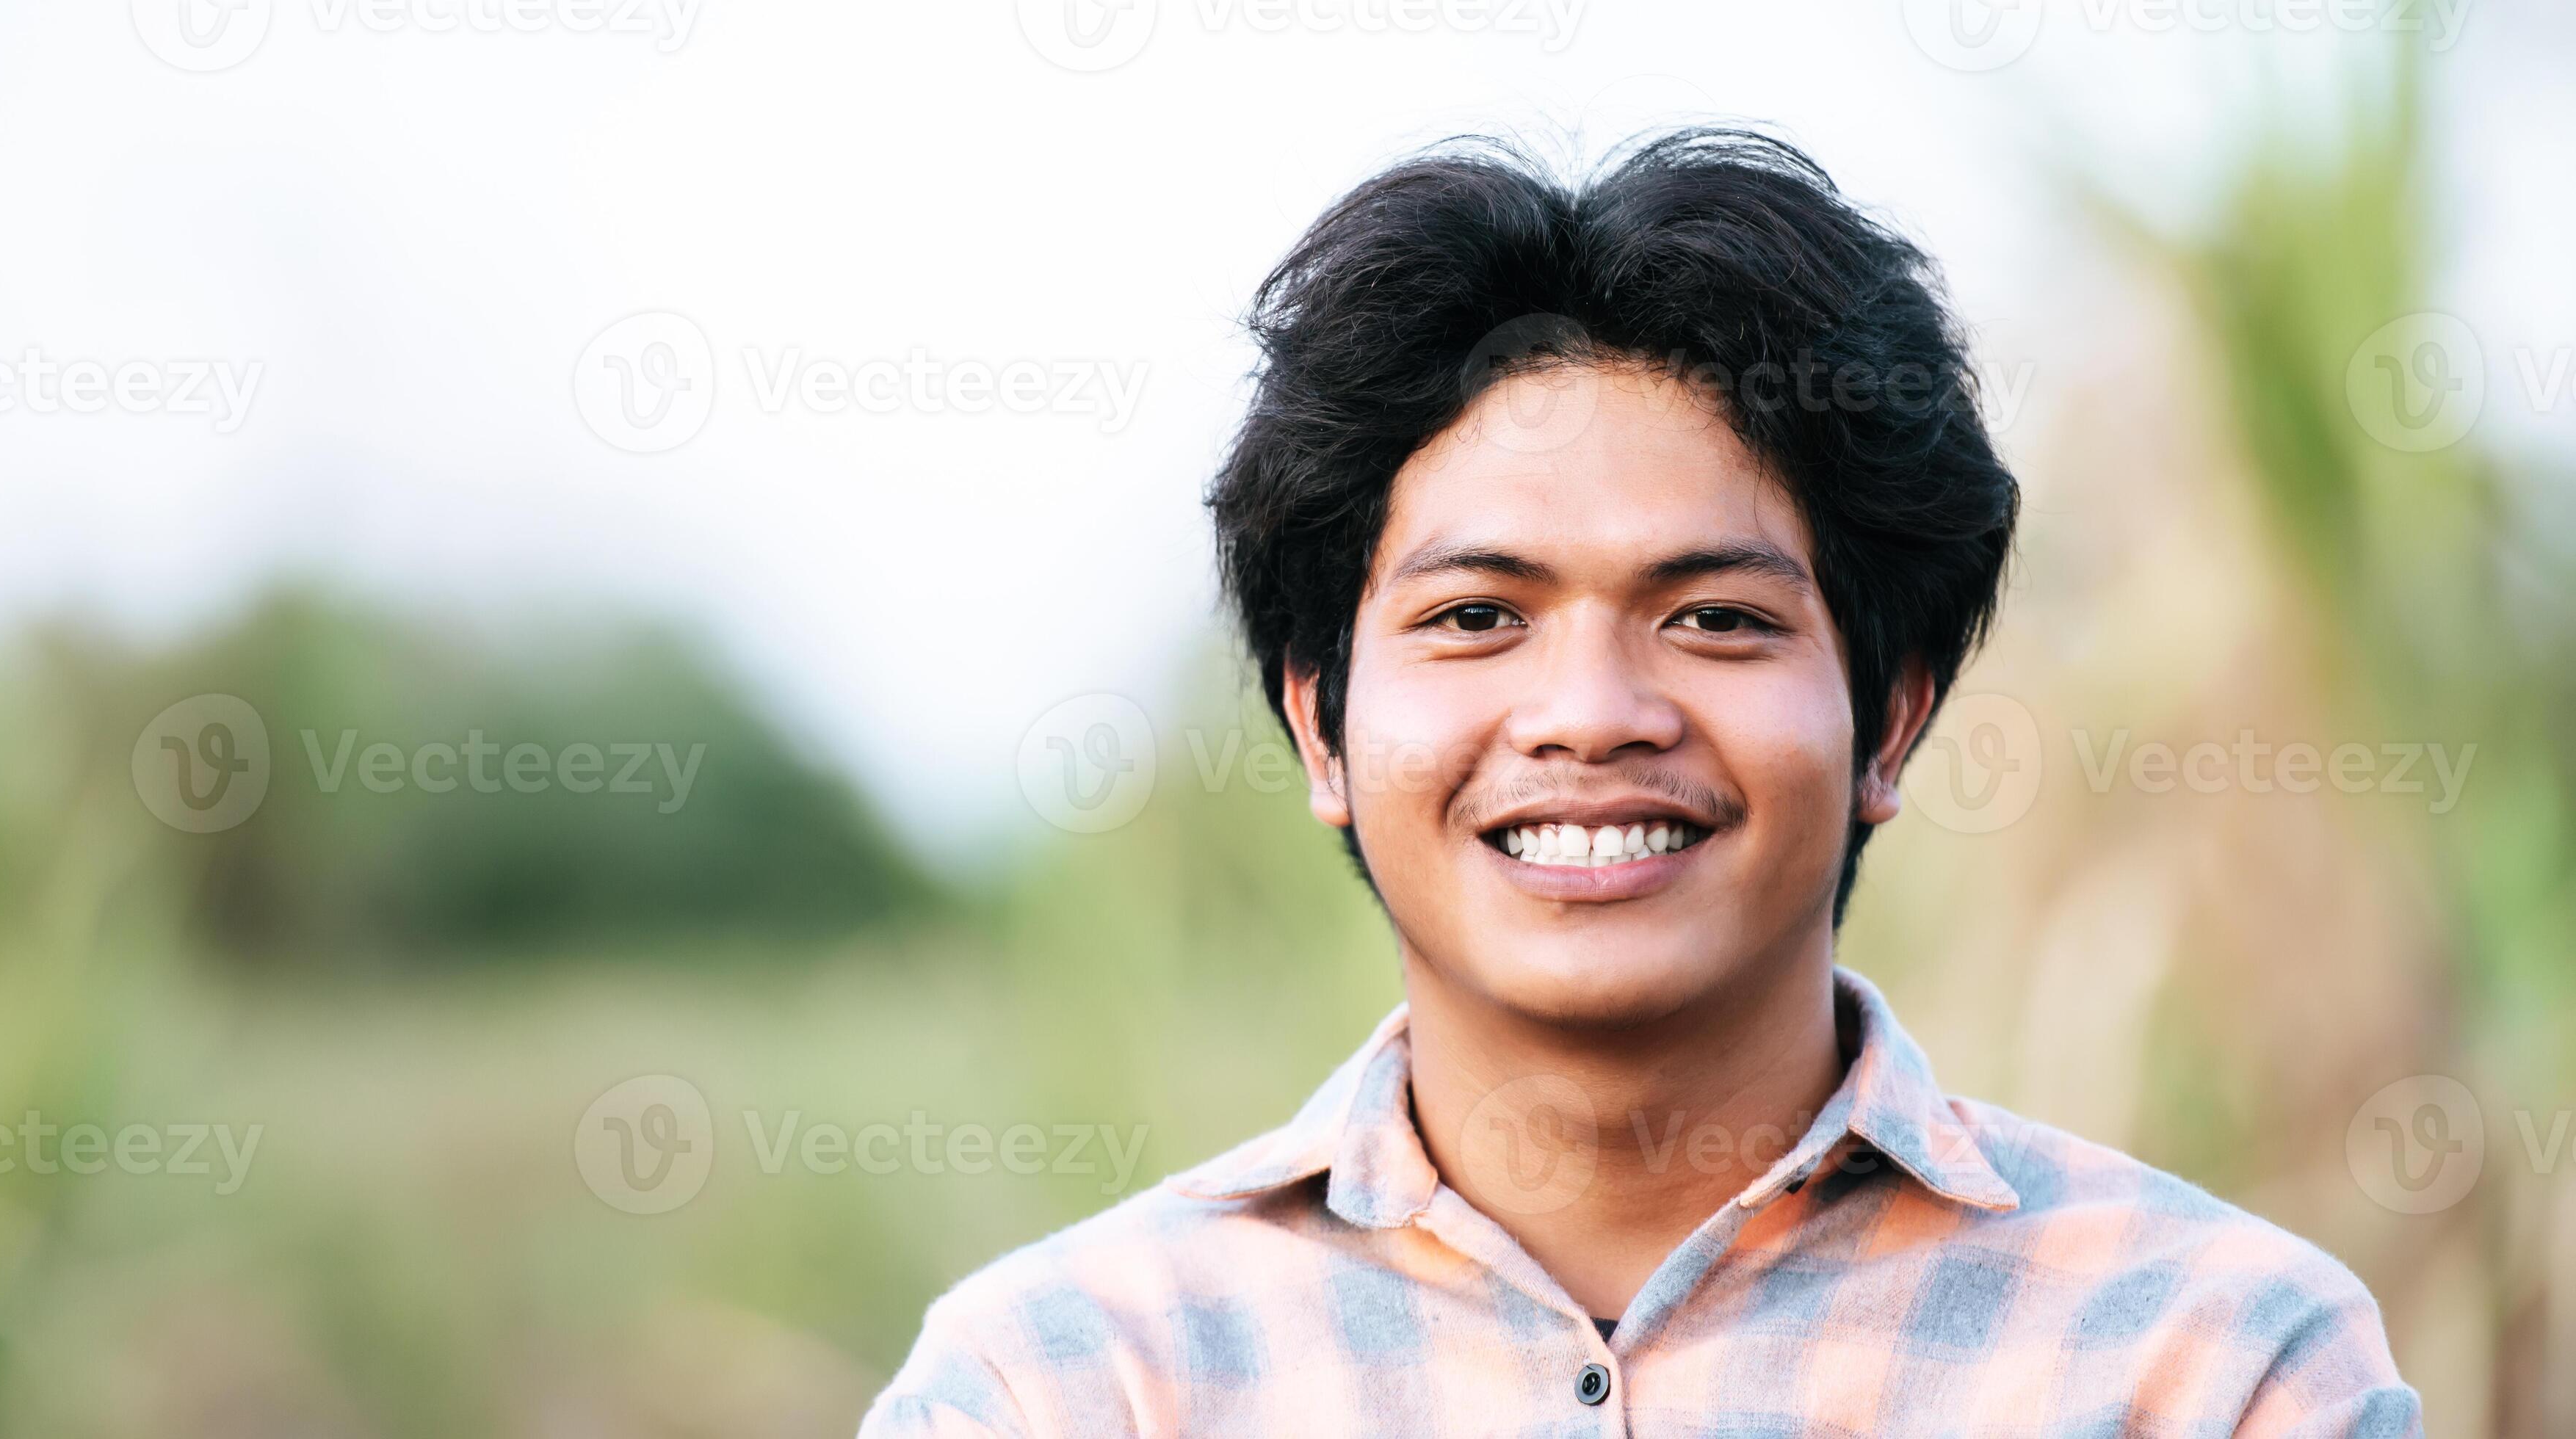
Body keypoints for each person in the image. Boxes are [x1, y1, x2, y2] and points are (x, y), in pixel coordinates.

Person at [863, 130, 2417, 1436]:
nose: (1591, 713)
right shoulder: (1064, 1381)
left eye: (1715, 618)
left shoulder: (2210, 1364)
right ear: (1322, 726)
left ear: (1888, 717)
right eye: (1476, 615)